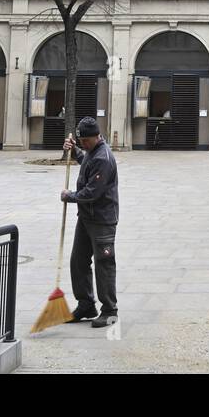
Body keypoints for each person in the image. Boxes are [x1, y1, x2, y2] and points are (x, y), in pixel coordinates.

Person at [61, 116, 120, 326]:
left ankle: (110, 310)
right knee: (78, 261)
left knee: (104, 264)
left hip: (102, 220)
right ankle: (86, 304)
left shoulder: (103, 158)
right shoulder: (92, 152)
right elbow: (85, 161)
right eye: (81, 141)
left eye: (85, 141)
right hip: (87, 217)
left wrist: (70, 196)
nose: (83, 144)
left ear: (97, 136)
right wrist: (75, 150)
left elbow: (92, 192)